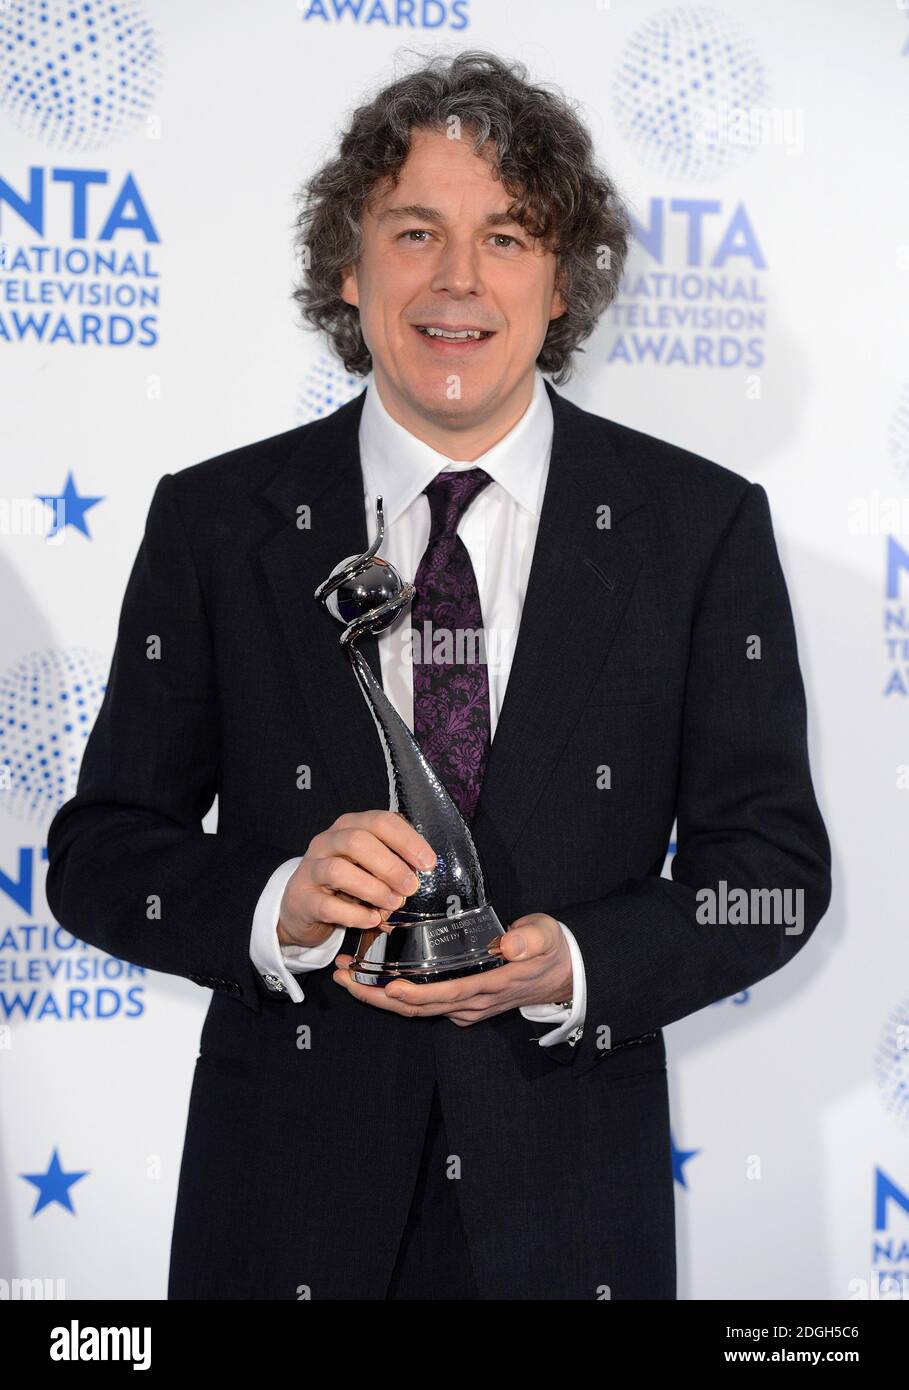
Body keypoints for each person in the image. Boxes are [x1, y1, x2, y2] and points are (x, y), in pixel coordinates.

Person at [45, 49, 832, 1301]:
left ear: (561, 282)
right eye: (416, 231)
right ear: (348, 269)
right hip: (278, 1211)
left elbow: (773, 878)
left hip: (571, 1218)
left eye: (508, 236)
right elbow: (97, 855)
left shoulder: (700, 527)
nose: (458, 280)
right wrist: (279, 904)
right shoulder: (214, 521)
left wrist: (577, 959)